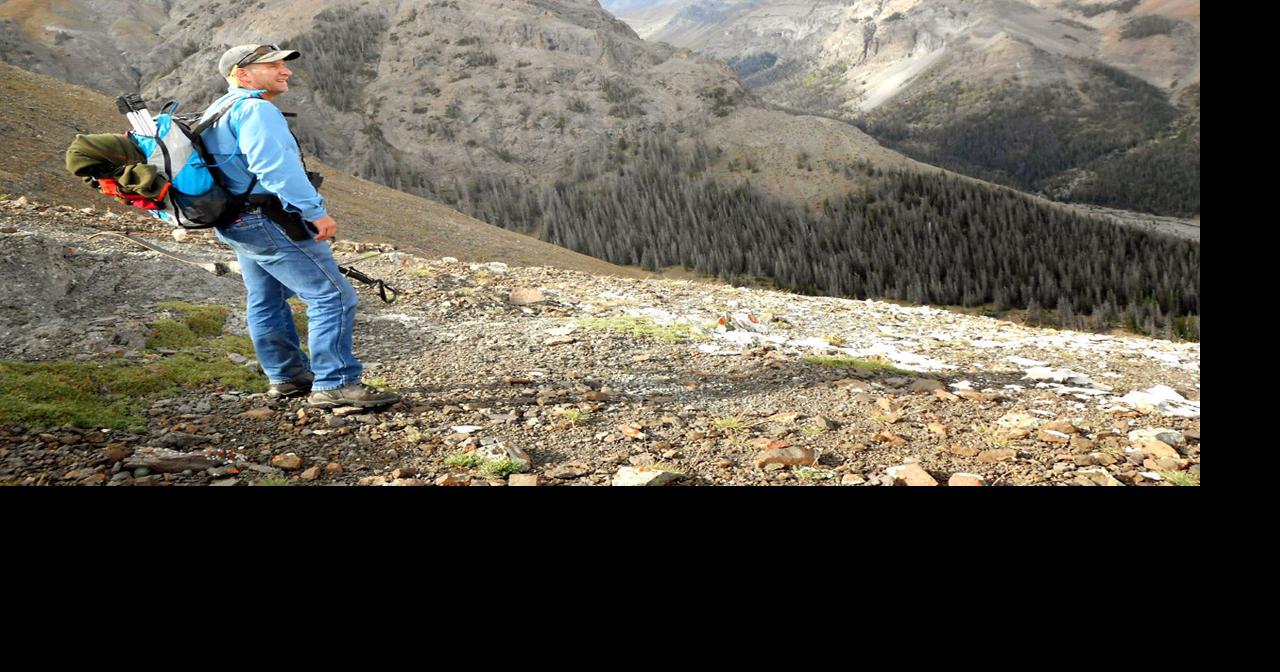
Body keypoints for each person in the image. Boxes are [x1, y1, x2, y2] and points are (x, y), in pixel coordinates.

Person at [201, 43, 399, 408]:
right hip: (268, 219)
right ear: (243, 75)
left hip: (236, 220)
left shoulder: (220, 108)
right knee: (333, 296)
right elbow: (274, 168)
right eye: (273, 65)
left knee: (267, 298)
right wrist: (313, 211)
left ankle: (288, 376)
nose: (285, 71)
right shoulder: (256, 110)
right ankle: (336, 383)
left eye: (283, 64)